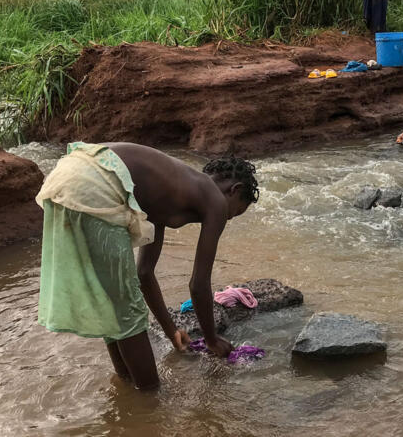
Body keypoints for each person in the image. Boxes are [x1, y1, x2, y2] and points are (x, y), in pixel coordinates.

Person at [35, 142, 259, 390]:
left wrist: (172, 331)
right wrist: (211, 338)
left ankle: (129, 390)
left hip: (69, 174)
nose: (227, 217)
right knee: (129, 310)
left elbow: (144, 273)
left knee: (115, 303)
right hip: (96, 182)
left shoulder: (168, 190)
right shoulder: (215, 199)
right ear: (234, 190)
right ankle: (150, 401)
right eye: (234, 213)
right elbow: (198, 284)